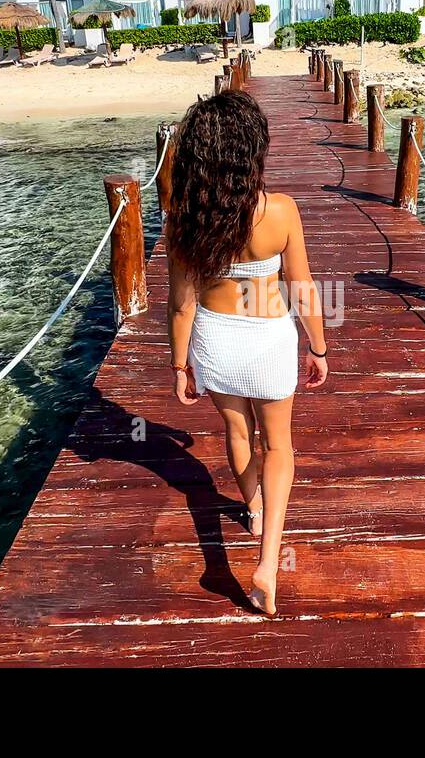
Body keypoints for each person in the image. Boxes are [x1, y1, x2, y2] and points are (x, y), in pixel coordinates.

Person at [166, 90, 329, 615]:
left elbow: (180, 306)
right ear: (252, 152)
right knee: (278, 447)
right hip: (268, 338)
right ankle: (266, 561)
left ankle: (253, 508)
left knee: (237, 434)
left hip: (216, 339)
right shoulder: (279, 211)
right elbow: (302, 289)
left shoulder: (182, 222)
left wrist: (179, 364)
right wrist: (319, 347)